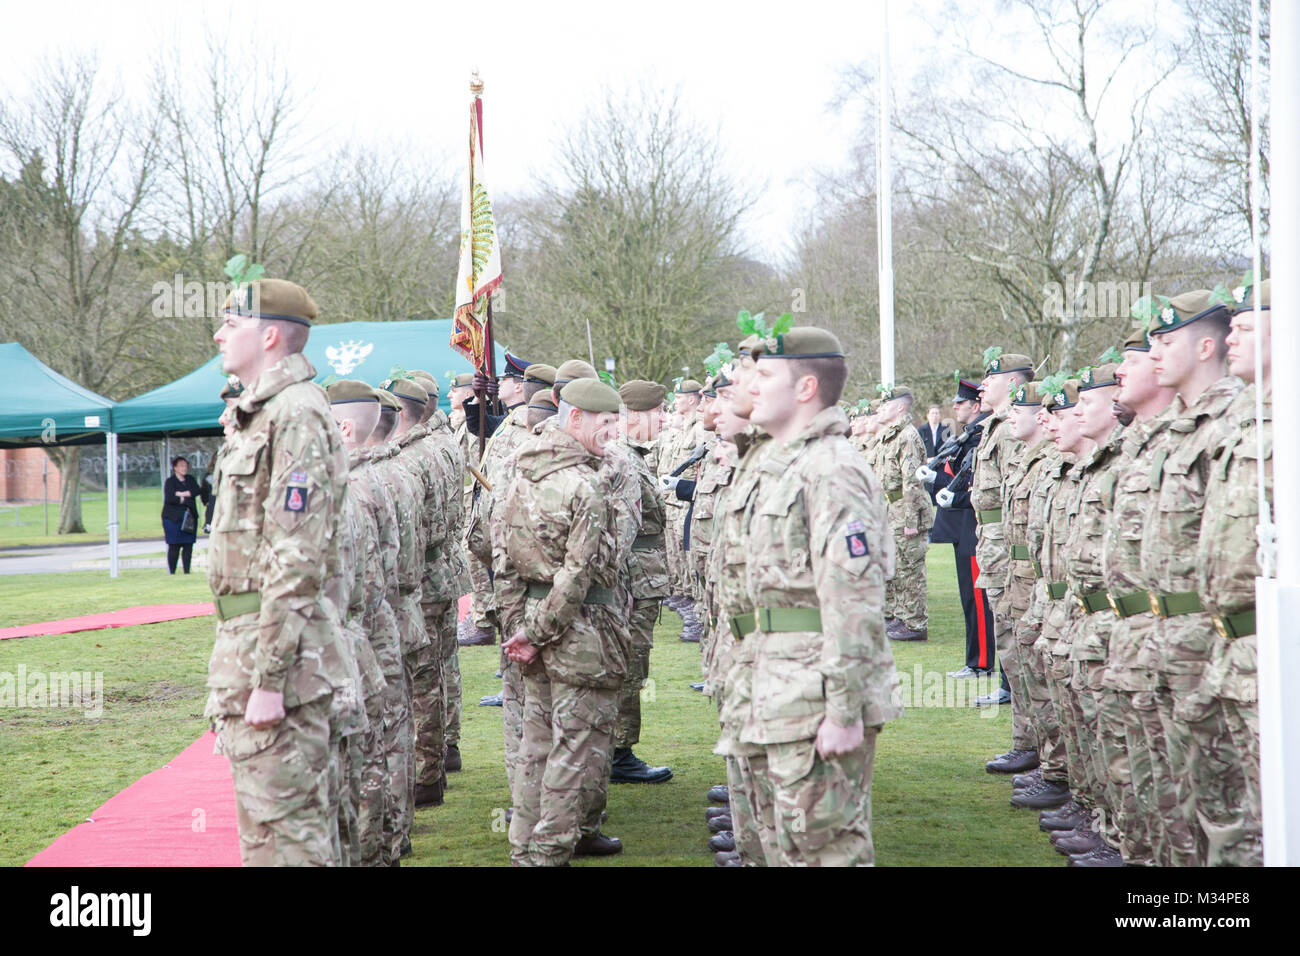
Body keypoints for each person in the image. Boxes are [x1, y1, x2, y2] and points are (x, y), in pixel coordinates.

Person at [736, 326, 901, 865]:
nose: (750, 386)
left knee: (826, 849)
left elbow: (853, 598)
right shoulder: (785, 462)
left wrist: (844, 710)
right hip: (778, 688)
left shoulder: (833, 468)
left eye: (764, 375)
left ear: (805, 388)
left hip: (816, 697)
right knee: (788, 848)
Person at [206, 277, 352, 866]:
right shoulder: (263, 412)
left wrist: (268, 680)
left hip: (280, 666)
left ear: (268, 335)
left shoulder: (293, 413)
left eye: (230, 323)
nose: (218, 334)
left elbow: (296, 556)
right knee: (269, 839)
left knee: (291, 841)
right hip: (252, 649)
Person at [495, 378, 627, 866]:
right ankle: (546, 854)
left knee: (537, 746)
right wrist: (536, 632)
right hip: (581, 633)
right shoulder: (585, 486)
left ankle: (523, 847)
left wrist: (520, 628)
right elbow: (578, 574)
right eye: (605, 422)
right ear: (575, 419)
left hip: (534, 627)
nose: (612, 432)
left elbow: (503, 561)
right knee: (573, 751)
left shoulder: (521, 473)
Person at [932, 378, 998, 681]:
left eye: (961, 402)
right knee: (969, 599)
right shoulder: (966, 436)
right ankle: (974, 660)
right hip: (961, 525)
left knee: (978, 600)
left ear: (975, 405)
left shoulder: (980, 435)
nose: (955, 406)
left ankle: (982, 662)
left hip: (972, 527)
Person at [873, 386, 932, 642]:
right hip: (890, 510)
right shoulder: (889, 437)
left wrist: (911, 520)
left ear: (899, 407)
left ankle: (915, 624)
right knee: (895, 568)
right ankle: (900, 616)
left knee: (910, 570)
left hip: (904, 511)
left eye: (885, 405)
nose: (880, 409)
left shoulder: (907, 436)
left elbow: (913, 481)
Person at [162, 456, 203, 574]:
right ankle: (172, 571)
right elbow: (170, 498)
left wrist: (182, 494)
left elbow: (196, 490)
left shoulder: (190, 479)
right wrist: (185, 498)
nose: (184, 468)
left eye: (185, 466)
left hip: (189, 518)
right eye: (181, 466)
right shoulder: (170, 482)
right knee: (174, 545)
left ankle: (187, 571)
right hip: (173, 518)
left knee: (188, 545)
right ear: (175, 468)